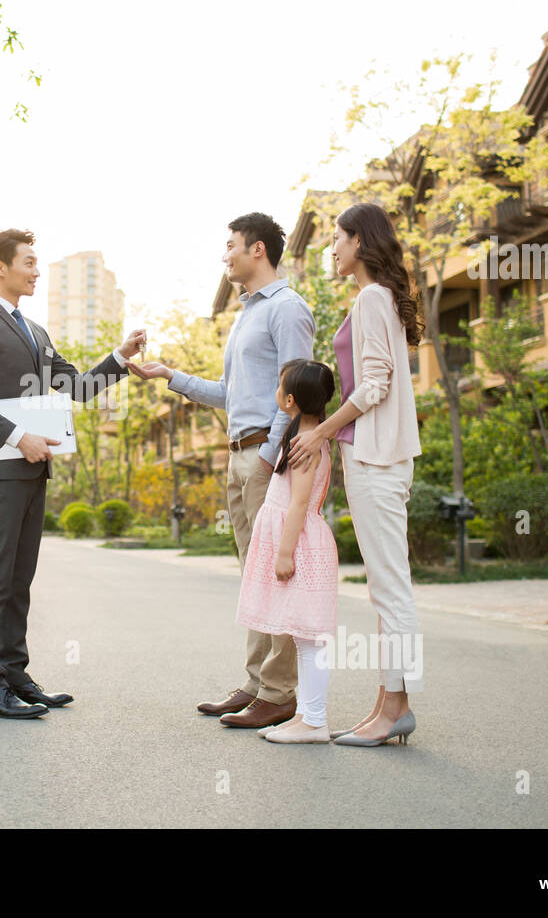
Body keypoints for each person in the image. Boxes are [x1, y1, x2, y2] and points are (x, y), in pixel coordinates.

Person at [127, 212, 315, 729]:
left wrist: (270, 455)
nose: (224, 254)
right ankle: (256, 684)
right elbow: (234, 395)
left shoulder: (287, 308)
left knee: (276, 574)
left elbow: (299, 391)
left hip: (263, 456)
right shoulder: (246, 313)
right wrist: (172, 376)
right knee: (254, 577)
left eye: (230, 245)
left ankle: (280, 692)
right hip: (238, 452)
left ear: (257, 249)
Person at [0, 228, 146, 720]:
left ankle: (15, 676)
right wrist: (20, 437)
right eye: (30, 262)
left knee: (19, 580)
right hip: (1, 470)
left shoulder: (36, 331)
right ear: (0, 267)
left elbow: (77, 388)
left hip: (35, 472)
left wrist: (120, 357)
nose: (37, 271)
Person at [283, 202, 423, 747]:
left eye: (337, 239)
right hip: (378, 457)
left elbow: (373, 386)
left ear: (360, 242)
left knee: (392, 590)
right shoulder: (378, 298)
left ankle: (396, 707)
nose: (332, 249)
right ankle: (388, 703)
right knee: (388, 590)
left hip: (377, 459)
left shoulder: (370, 297)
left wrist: (319, 432)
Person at [234, 359, 339, 744]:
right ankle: (309, 717)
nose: (275, 394)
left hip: (301, 546)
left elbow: (298, 504)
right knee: (302, 636)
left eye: (279, 388)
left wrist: (284, 553)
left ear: (289, 400)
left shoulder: (308, 446)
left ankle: (315, 721)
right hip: (296, 542)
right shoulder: (302, 435)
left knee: (310, 637)